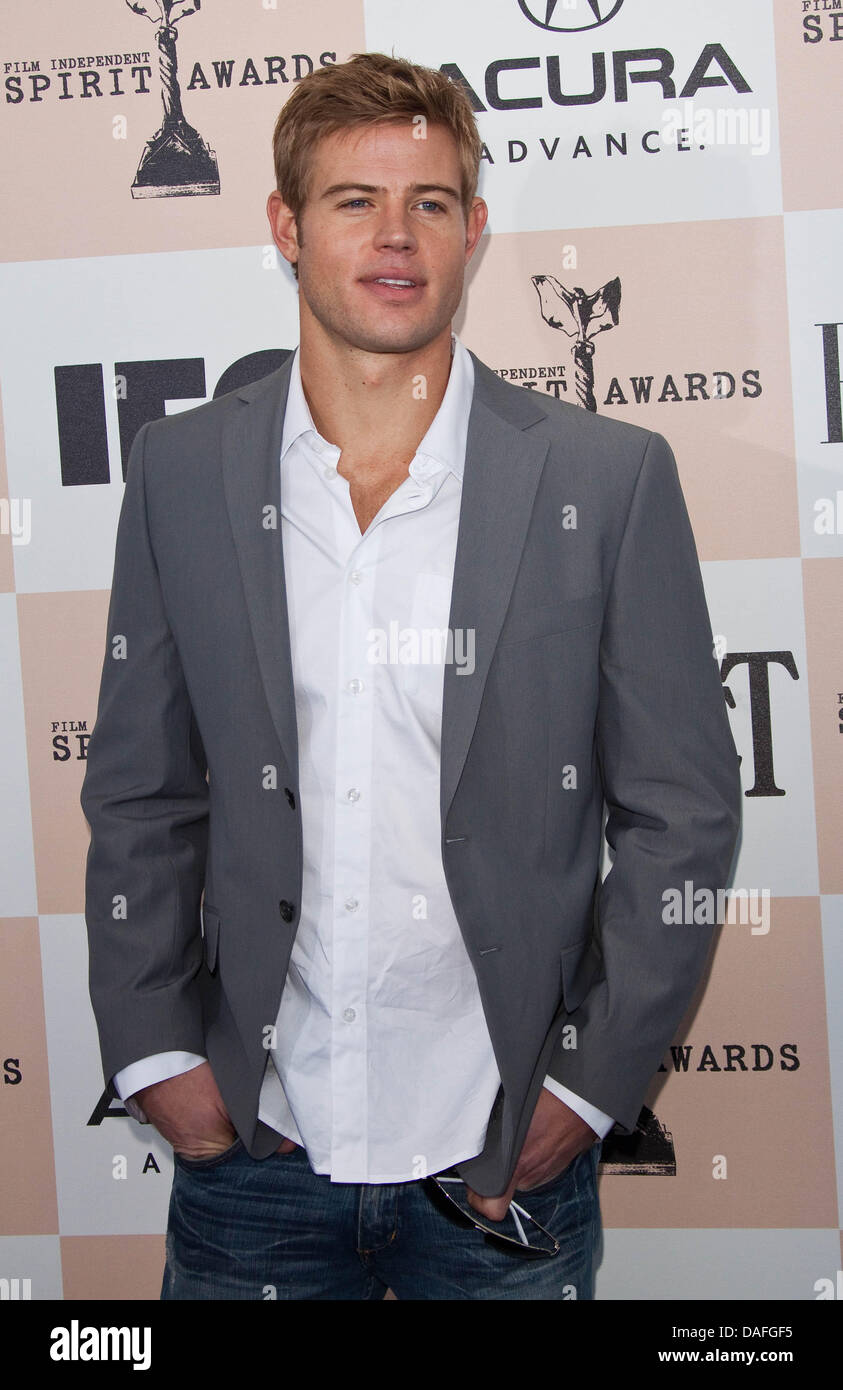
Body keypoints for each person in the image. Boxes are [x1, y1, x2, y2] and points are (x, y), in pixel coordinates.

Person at [80, 51, 742, 1300]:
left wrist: (586, 1091)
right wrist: (155, 1046)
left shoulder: (605, 481)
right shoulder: (180, 471)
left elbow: (685, 816)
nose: (397, 238)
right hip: (255, 1153)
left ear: (476, 228)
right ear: (284, 224)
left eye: (430, 203)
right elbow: (141, 791)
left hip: (506, 1163)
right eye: (353, 202)